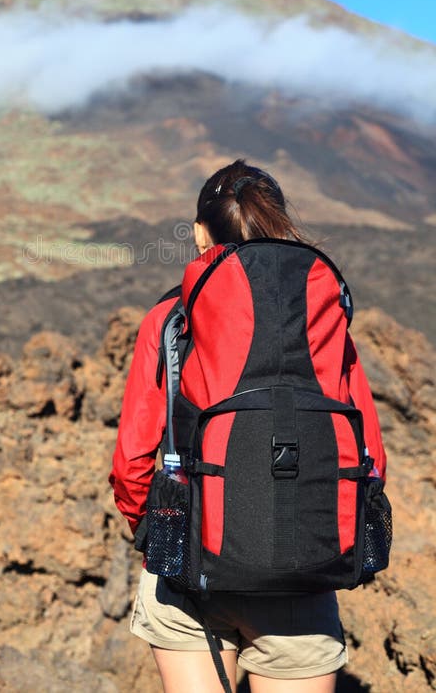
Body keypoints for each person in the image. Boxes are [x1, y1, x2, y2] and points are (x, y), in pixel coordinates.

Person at [109, 159, 387, 693]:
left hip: (187, 570)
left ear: (199, 235)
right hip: (302, 575)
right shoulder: (325, 318)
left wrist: (158, 533)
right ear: (279, 224)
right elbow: (369, 454)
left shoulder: (170, 318)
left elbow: (133, 462)